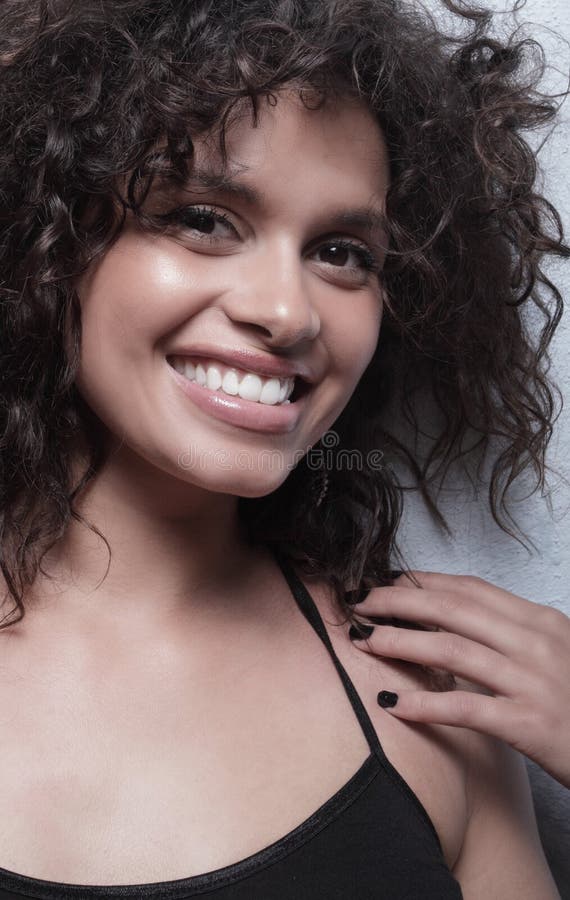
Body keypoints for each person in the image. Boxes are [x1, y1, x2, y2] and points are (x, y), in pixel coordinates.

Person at [0, 0, 568, 897]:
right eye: (203, 219)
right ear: (51, 243)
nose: (289, 311)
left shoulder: (429, 695)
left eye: (342, 252)